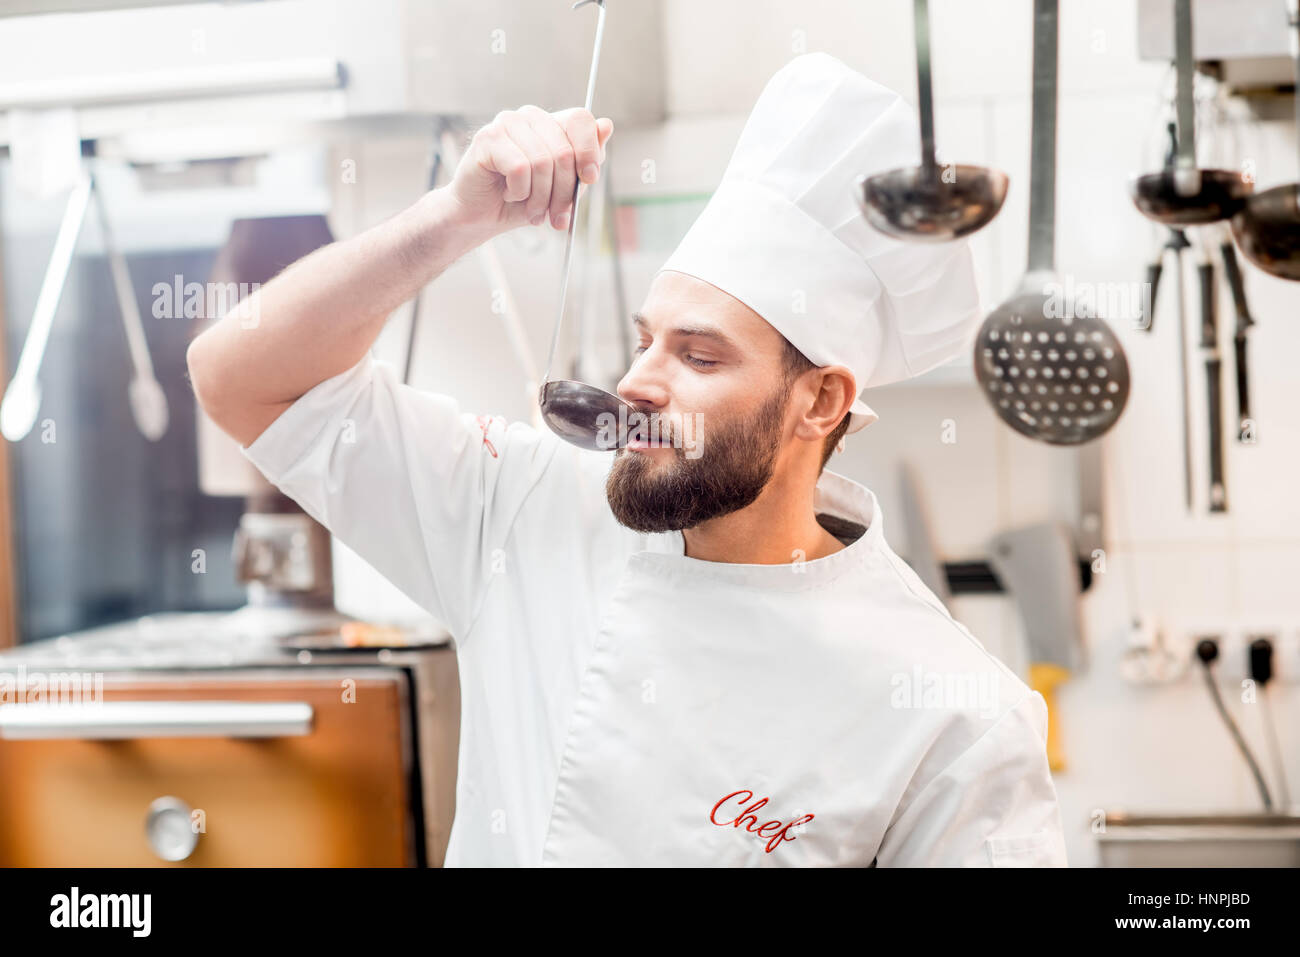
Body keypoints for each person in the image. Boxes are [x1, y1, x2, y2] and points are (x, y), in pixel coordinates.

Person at [189, 53, 1068, 866]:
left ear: (821, 400)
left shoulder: (954, 713)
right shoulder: (527, 508)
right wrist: (459, 218)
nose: (637, 381)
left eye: (699, 355)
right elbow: (240, 377)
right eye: (647, 340)